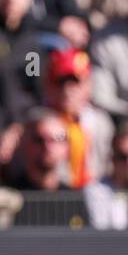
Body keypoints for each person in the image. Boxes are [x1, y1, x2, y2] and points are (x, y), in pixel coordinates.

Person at [43, 48, 114, 188]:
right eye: (61, 82)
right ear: (49, 85)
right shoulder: (39, 123)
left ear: (88, 85)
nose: (68, 90)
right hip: (54, 196)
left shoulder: (101, 122)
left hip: (96, 193)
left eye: (75, 82)